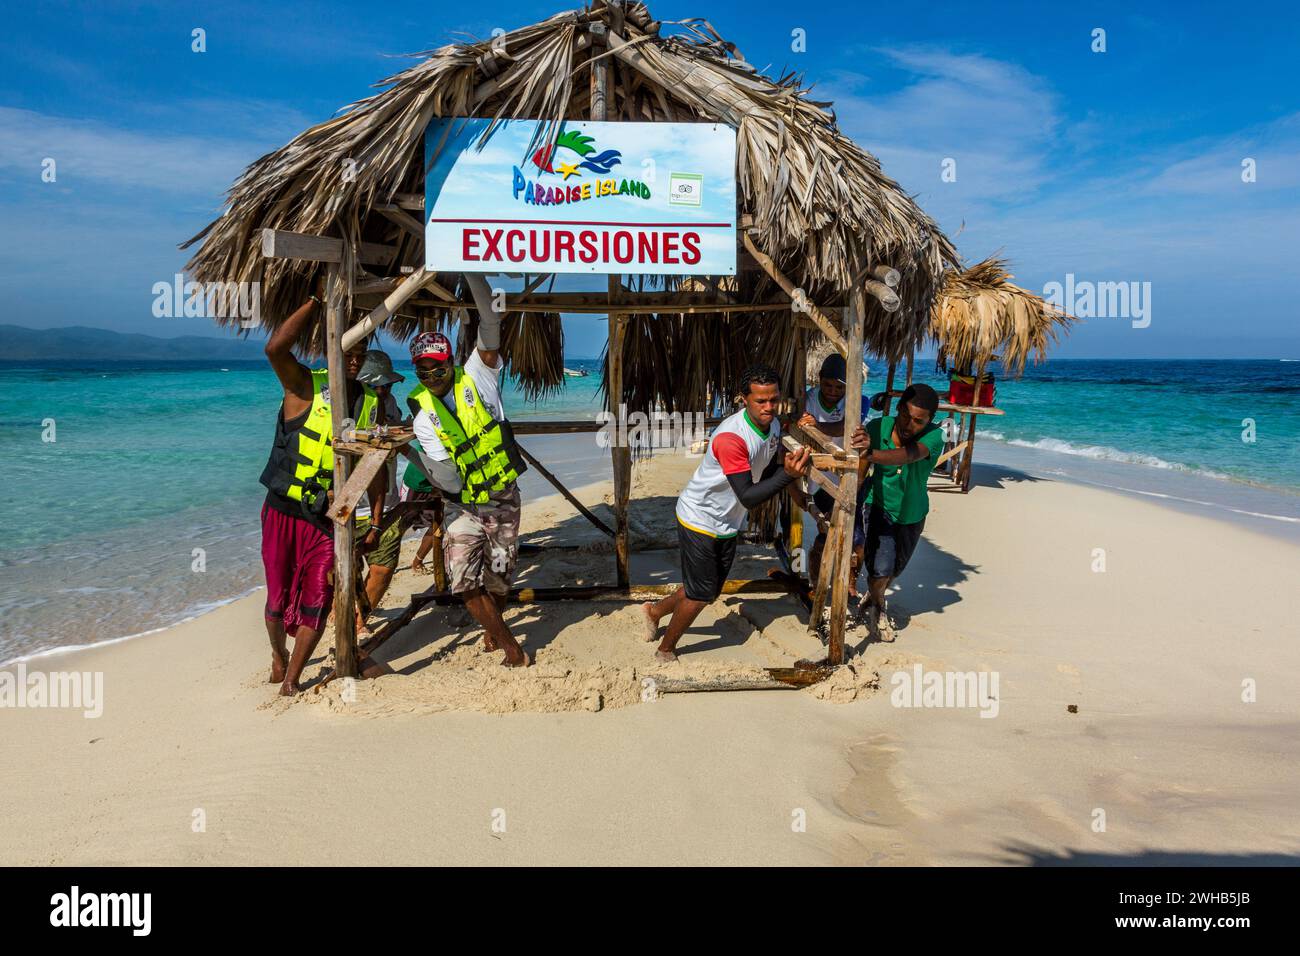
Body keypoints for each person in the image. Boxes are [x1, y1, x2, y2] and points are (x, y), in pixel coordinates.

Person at [258, 291, 390, 694]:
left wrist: (378, 517)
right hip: (282, 510)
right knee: (278, 598)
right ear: (332, 344)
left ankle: (292, 681)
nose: (354, 356)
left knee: (320, 592)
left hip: (328, 517)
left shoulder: (371, 401)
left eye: (361, 348)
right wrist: (316, 300)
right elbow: (275, 348)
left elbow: (375, 464)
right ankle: (280, 655)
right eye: (346, 346)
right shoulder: (304, 386)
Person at [642, 365, 811, 662]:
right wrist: (788, 476)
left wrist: (794, 437)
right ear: (742, 399)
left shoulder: (772, 425)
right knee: (700, 594)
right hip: (700, 517)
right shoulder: (731, 438)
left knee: (707, 589)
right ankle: (665, 649)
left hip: (727, 520)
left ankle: (654, 611)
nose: (768, 407)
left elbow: (765, 465)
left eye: (773, 399)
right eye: (760, 401)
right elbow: (748, 495)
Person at [408, 274, 532, 667]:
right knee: (462, 579)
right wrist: (413, 461)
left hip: (502, 499)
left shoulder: (478, 373)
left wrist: (470, 271)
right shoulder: (423, 416)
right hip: (463, 505)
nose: (431, 375)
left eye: (437, 366)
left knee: (499, 577)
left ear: (450, 361)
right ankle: (512, 646)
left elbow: (490, 323)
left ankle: (493, 630)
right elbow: (447, 477)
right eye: (422, 370)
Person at [848, 382, 945, 639]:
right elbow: (859, 468)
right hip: (878, 504)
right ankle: (879, 608)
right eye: (905, 415)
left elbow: (907, 455)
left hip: (913, 513)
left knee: (894, 571)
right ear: (900, 408)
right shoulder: (877, 427)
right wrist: (851, 499)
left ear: (930, 421)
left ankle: (873, 596)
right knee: (880, 570)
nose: (908, 424)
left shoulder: (935, 437)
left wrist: (871, 452)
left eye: (918, 421)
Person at [797, 353, 870, 596]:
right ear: (819, 380)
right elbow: (801, 426)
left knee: (857, 540)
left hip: (850, 475)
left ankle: (850, 584)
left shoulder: (859, 400)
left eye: (839, 387)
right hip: (822, 476)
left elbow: (845, 428)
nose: (832, 391)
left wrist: (816, 425)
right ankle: (817, 583)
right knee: (826, 530)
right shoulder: (808, 398)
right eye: (827, 385)